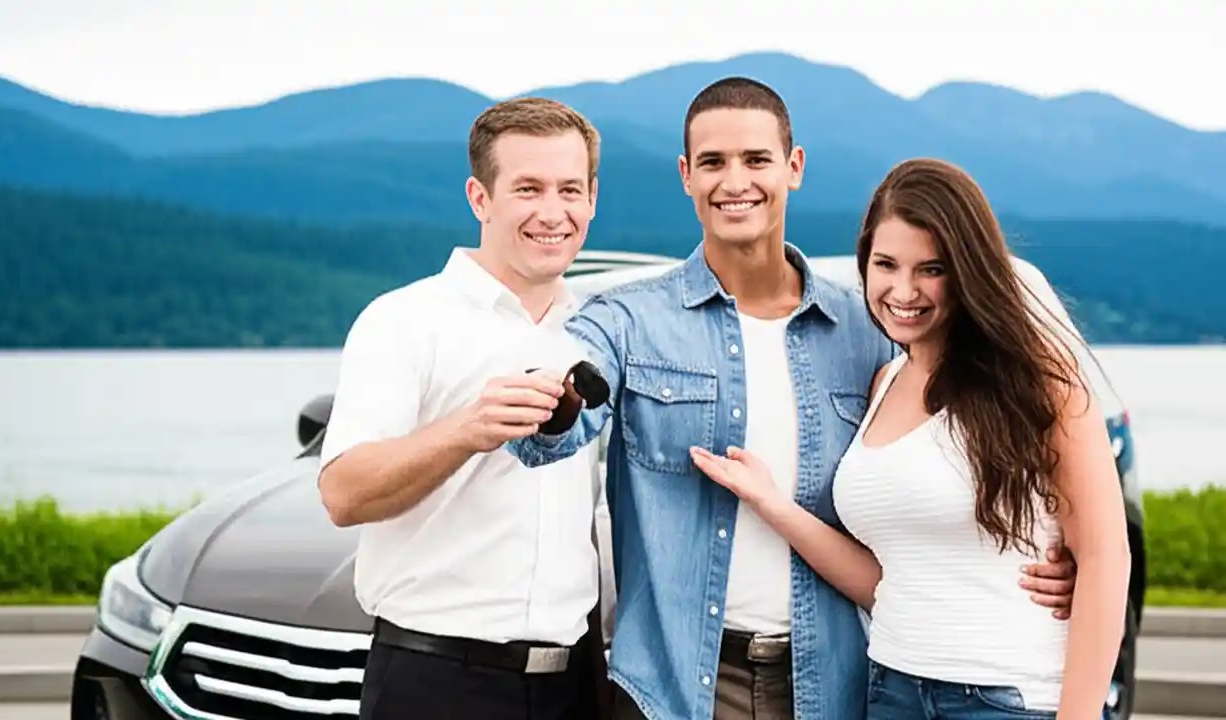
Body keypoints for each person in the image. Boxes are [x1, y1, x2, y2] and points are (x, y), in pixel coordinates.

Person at [506, 78, 1078, 720]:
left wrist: (1069, 558)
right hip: (672, 690)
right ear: (686, 175)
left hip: (834, 686)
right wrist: (555, 398)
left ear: (794, 168)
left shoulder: (872, 329)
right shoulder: (628, 321)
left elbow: (964, 459)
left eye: (756, 160)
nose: (734, 181)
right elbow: (557, 416)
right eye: (713, 163)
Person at [690, 157, 1130, 719]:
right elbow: (887, 582)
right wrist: (772, 503)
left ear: (970, 270)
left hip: (1007, 699)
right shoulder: (886, 382)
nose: (904, 290)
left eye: (932, 269)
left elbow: (1104, 557)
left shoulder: (1039, 383)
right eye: (886, 264)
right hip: (892, 690)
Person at [317, 96, 612, 720]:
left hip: (577, 684)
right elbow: (343, 494)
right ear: (480, 198)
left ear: (592, 197)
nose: (552, 213)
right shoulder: (403, 320)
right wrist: (465, 429)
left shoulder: (601, 330)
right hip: (436, 681)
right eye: (527, 189)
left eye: (569, 189)